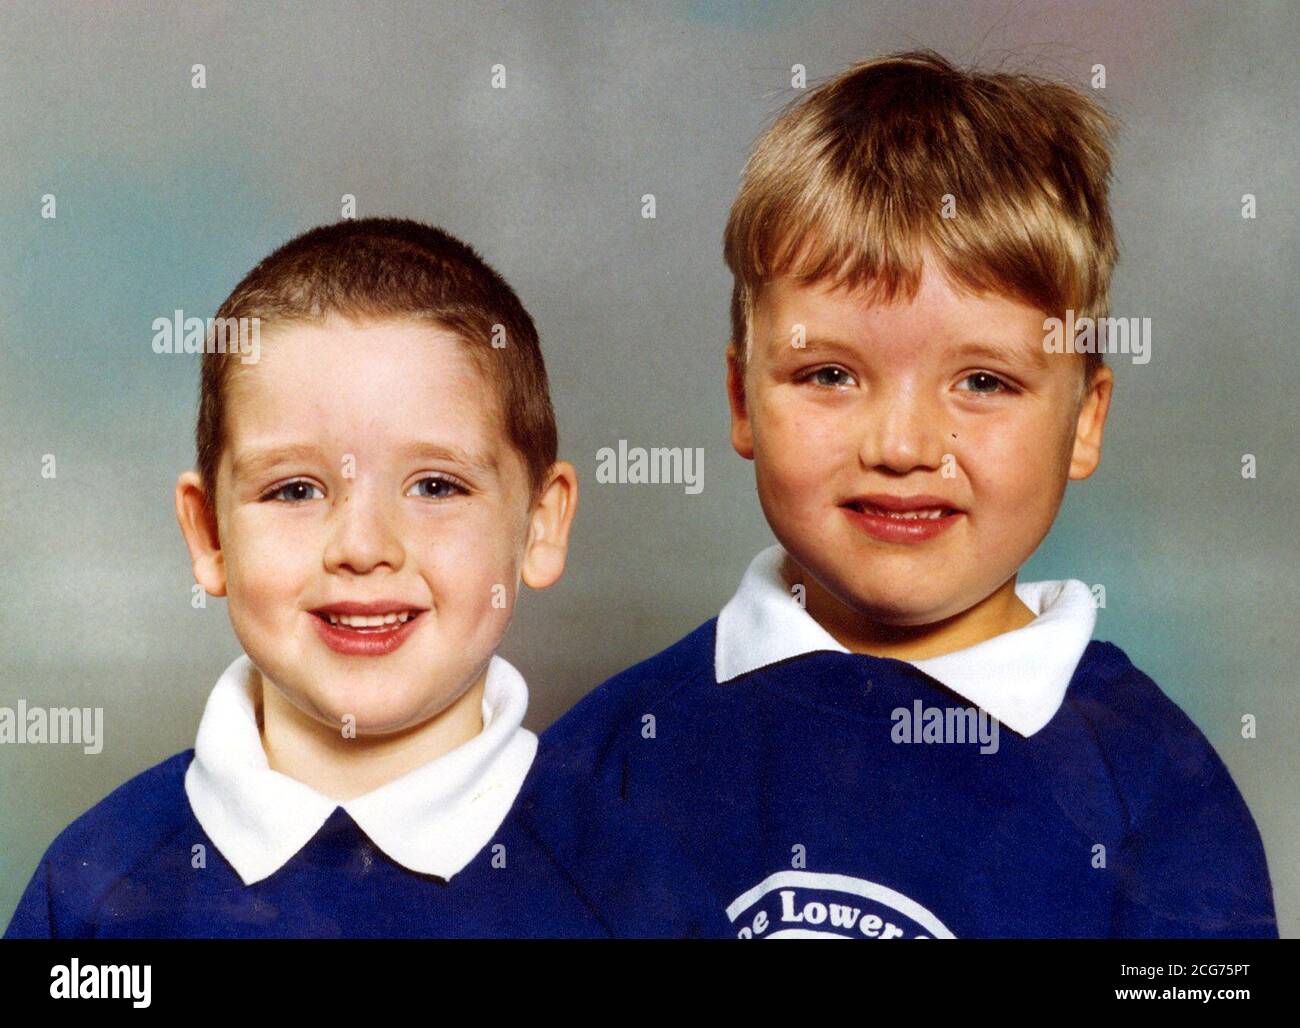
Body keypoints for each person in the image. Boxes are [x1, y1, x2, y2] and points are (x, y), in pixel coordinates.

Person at [537, 51, 1279, 939]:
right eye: (829, 375)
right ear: (742, 401)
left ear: (1085, 420)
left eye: (985, 383)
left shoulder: (1155, 789)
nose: (903, 446)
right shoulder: (615, 753)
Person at [4, 217, 726, 938]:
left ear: (541, 523)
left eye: (436, 486)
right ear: (209, 534)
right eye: (295, 490)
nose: (361, 546)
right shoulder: (93, 888)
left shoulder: (633, 897)